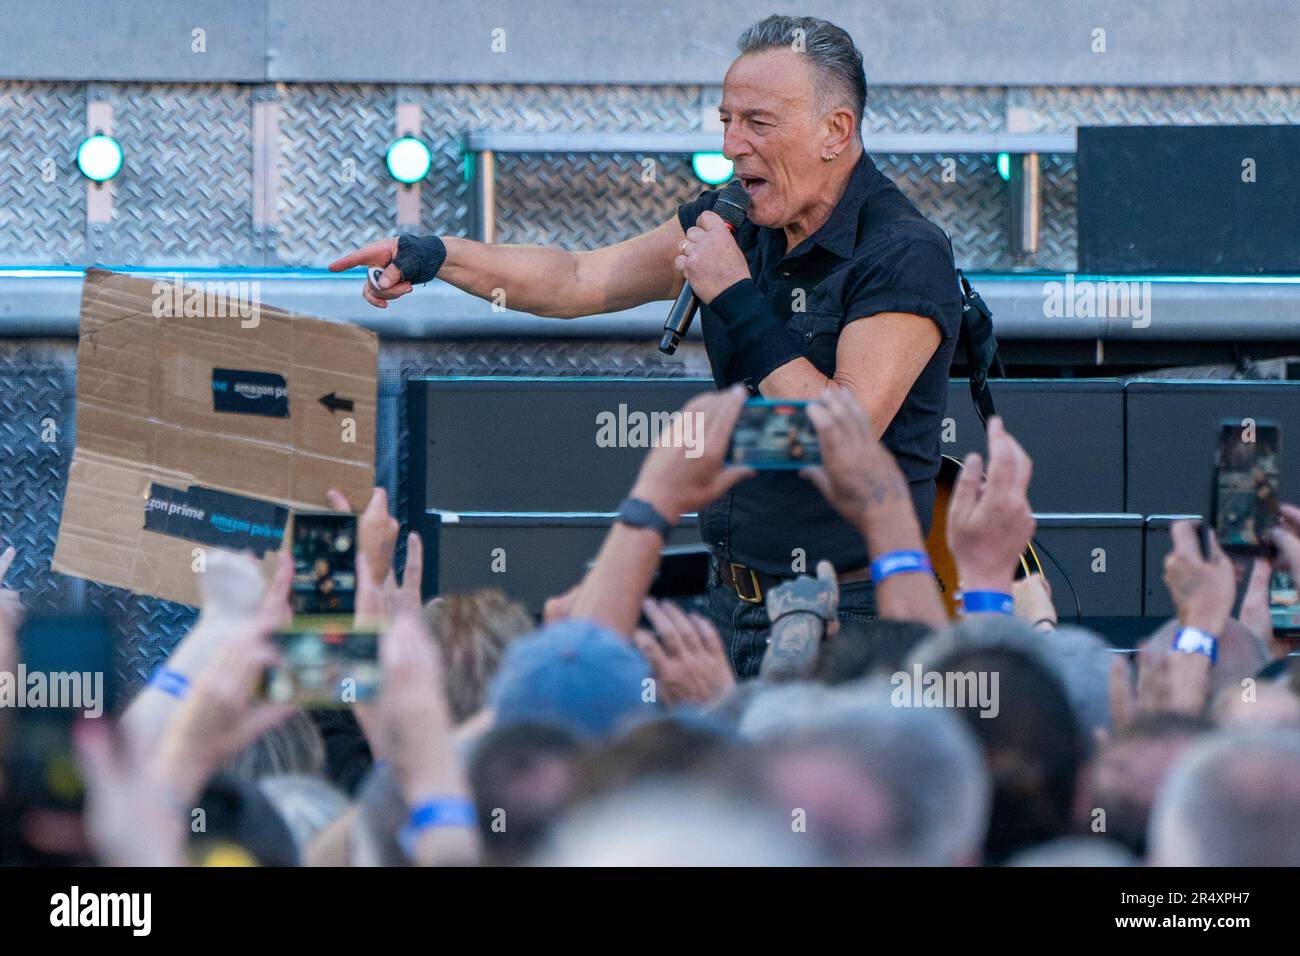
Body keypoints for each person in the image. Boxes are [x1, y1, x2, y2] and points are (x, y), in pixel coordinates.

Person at [329, 15, 961, 675]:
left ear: (836, 130)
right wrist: (436, 255)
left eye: (758, 123)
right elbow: (578, 280)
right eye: (725, 120)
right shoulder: (731, 222)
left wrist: (735, 297)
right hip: (733, 598)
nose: (731, 145)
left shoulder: (902, 252)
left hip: (852, 612)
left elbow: (845, 433)